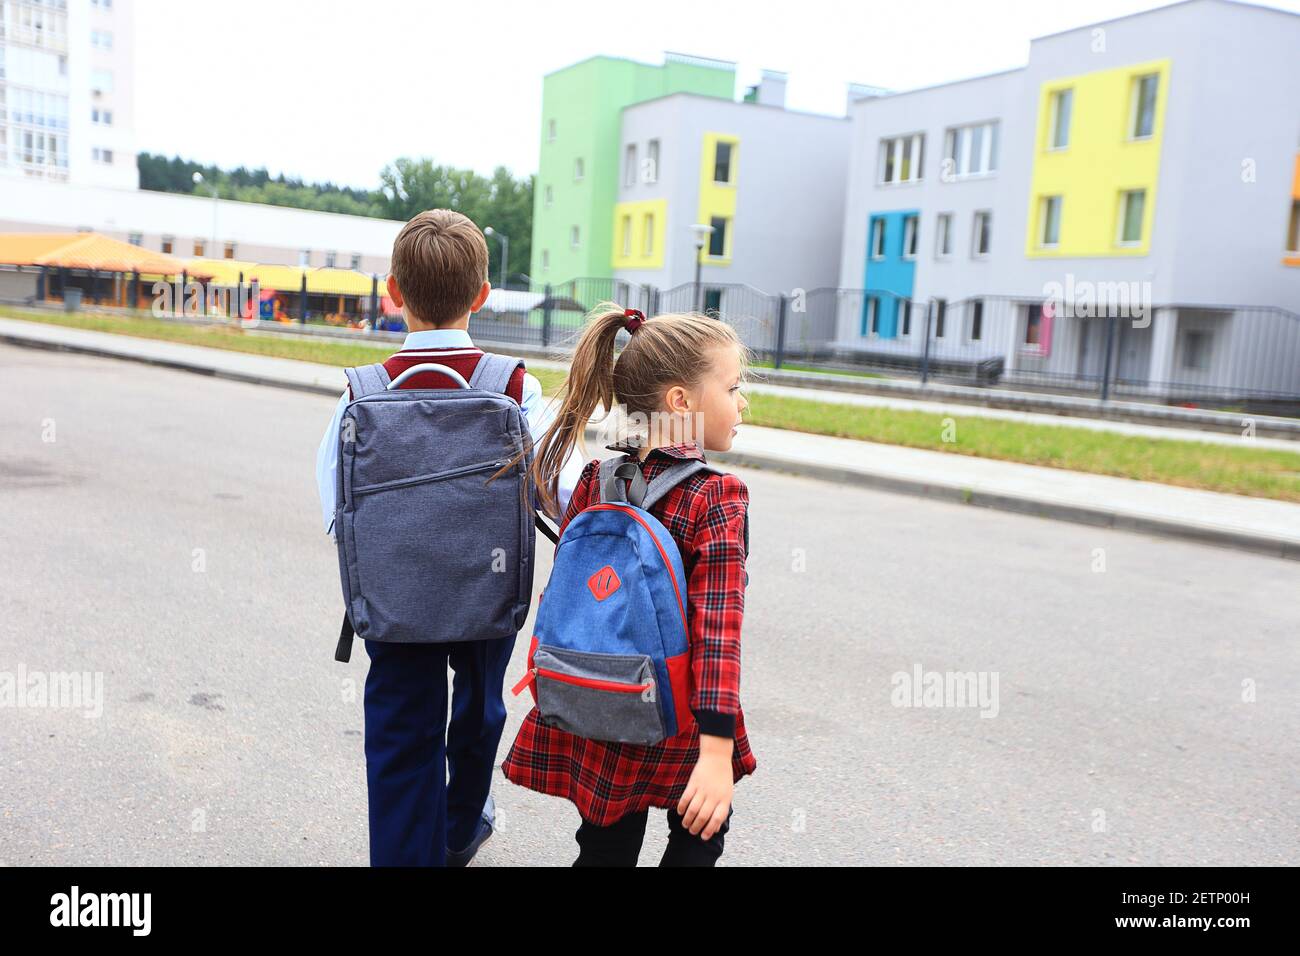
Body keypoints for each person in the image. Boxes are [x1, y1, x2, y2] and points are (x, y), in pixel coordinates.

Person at [314, 209, 582, 866]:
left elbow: (334, 501)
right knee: (481, 711)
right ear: (482, 295)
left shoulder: (360, 393)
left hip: (394, 596)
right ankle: (460, 828)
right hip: (487, 590)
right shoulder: (516, 387)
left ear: (393, 292)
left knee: (401, 730)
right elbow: (564, 489)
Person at [500, 304, 756, 866]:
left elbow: (572, 599)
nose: (742, 403)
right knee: (699, 836)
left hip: (602, 695)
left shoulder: (597, 480)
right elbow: (718, 633)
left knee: (604, 846)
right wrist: (717, 752)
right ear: (681, 401)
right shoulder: (717, 496)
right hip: (680, 715)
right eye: (733, 387)